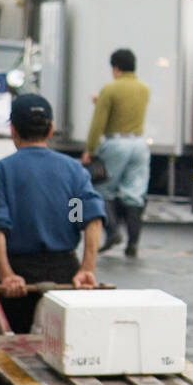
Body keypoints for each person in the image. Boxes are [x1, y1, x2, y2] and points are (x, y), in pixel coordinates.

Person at [0, 94, 107, 335]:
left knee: (12, 358)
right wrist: (87, 269)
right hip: (65, 273)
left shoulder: (2, 172)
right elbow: (86, 218)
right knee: (63, 351)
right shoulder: (73, 171)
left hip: (19, 274)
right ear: (51, 129)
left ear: (13, 130)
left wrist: (7, 275)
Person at [82, 48, 151, 257]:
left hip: (116, 143)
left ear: (116, 68)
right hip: (139, 144)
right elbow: (126, 109)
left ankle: (112, 232)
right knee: (134, 194)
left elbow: (98, 123)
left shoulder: (110, 89)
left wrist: (90, 150)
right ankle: (133, 244)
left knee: (103, 189)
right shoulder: (143, 89)